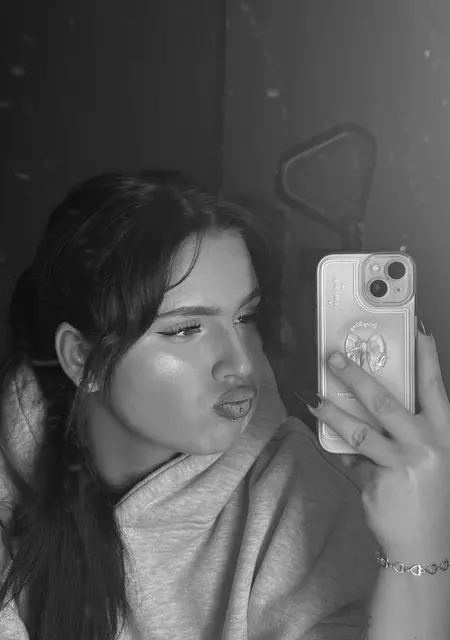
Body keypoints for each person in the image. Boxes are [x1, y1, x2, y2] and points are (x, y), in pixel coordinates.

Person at [0, 171, 448, 640]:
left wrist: (422, 553)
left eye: (245, 317)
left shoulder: (298, 500)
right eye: (185, 329)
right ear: (81, 358)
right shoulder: (17, 473)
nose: (241, 363)